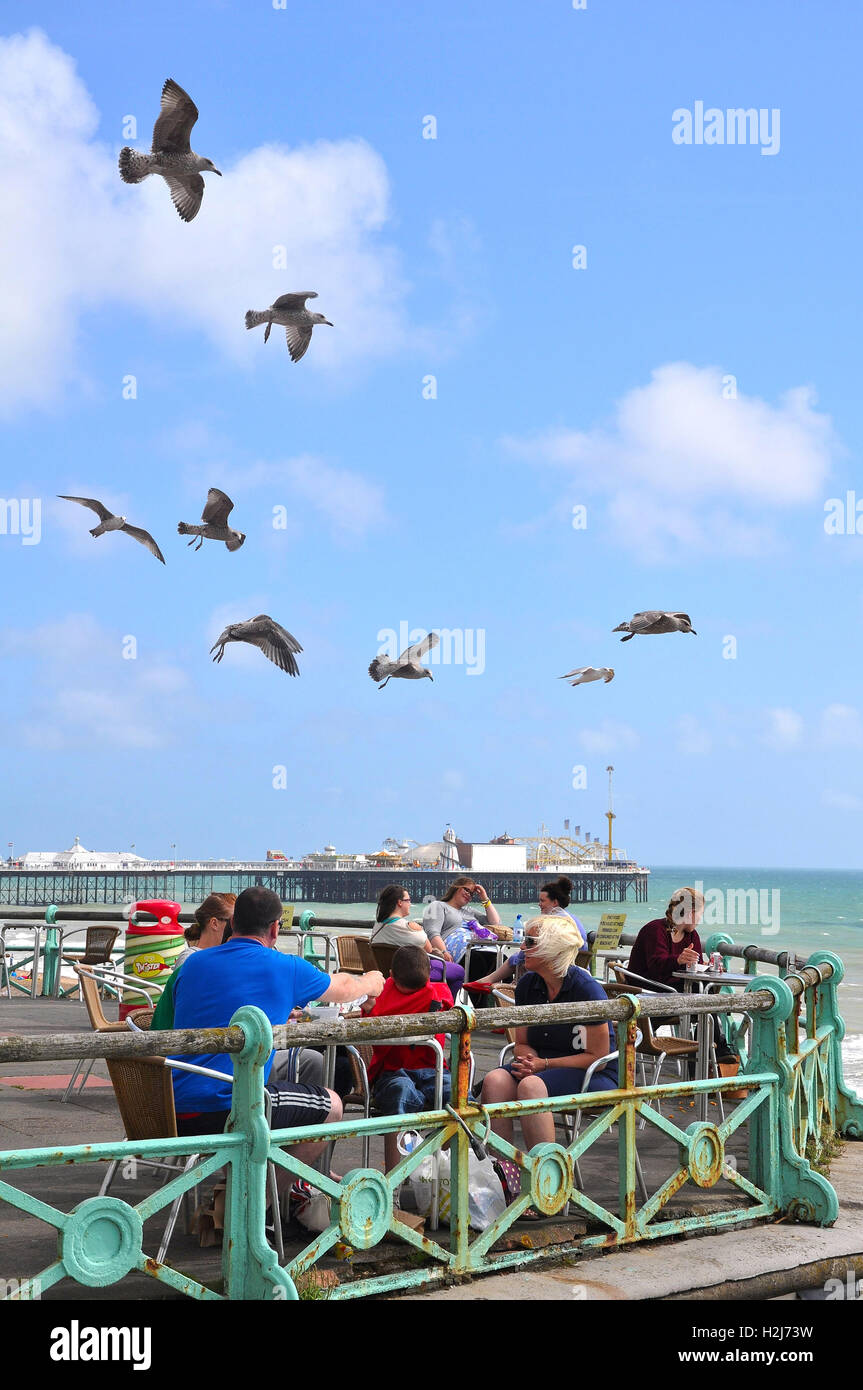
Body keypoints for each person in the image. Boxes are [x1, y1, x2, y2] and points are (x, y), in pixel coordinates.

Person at [168, 887, 385, 1172]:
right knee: (332, 1107)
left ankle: (237, 1188)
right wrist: (371, 980)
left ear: (232, 924)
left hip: (172, 1110)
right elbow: (344, 989)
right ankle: (259, 1204)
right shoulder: (287, 967)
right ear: (274, 928)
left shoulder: (192, 964)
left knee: (283, 1086)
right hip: (232, 1110)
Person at [480, 916, 617, 1198]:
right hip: (542, 1067)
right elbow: (522, 1042)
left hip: (593, 1072)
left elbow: (599, 1056)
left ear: (551, 949)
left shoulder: (585, 989)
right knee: (494, 1081)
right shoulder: (530, 984)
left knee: (530, 1087)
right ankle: (508, 1180)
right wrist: (530, 1060)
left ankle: (547, 1185)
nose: (522, 947)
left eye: (529, 942)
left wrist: (542, 1065)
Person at [361, 945, 453, 1171]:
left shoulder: (379, 998)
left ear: (391, 974)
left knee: (459, 1098)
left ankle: (434, 1168)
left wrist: (371, 1010)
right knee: (403, 1092)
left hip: (425, 1070)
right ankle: (397, 1179)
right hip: (399, 1071)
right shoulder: (439, 996)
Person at [627, 887, 735, 1062]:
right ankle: (715, 1050)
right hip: (647, 994)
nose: (700, 919)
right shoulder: (655, 930)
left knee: (704, 995)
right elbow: (655, 966)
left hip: (674, 991)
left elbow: (693, 967)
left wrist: (705, 967)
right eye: (700, 913)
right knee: (703, 997)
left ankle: (705, 1053)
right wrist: (678, 960)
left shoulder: (692, 936)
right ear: (691, 913)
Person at [152, 893, 235, 1030]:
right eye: (232, 923)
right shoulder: (190, 960)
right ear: (214, 923)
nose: (238, 928)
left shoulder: (216, 959)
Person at [373, 884, 465, 995]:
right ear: (400, 902)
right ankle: (443, 1006)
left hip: (388, 973)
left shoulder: (378, 925)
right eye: (408, 900)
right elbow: (429, 949)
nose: (410, 904)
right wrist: (419, 928)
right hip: (414, 974)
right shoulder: (409, 926)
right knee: (459, 971)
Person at [422, 877, 501, 972]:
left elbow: (495, 923)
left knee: (501, 958)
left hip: (478, 947)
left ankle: (499, 987)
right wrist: (444, 952)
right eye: (466, 890)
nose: (469, 894)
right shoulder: (438, 905)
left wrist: (484, 898)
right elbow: (432, 932)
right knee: (479, 959)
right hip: (459, 951)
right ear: (456, 887)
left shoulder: (469, 911)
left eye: (471, 894)